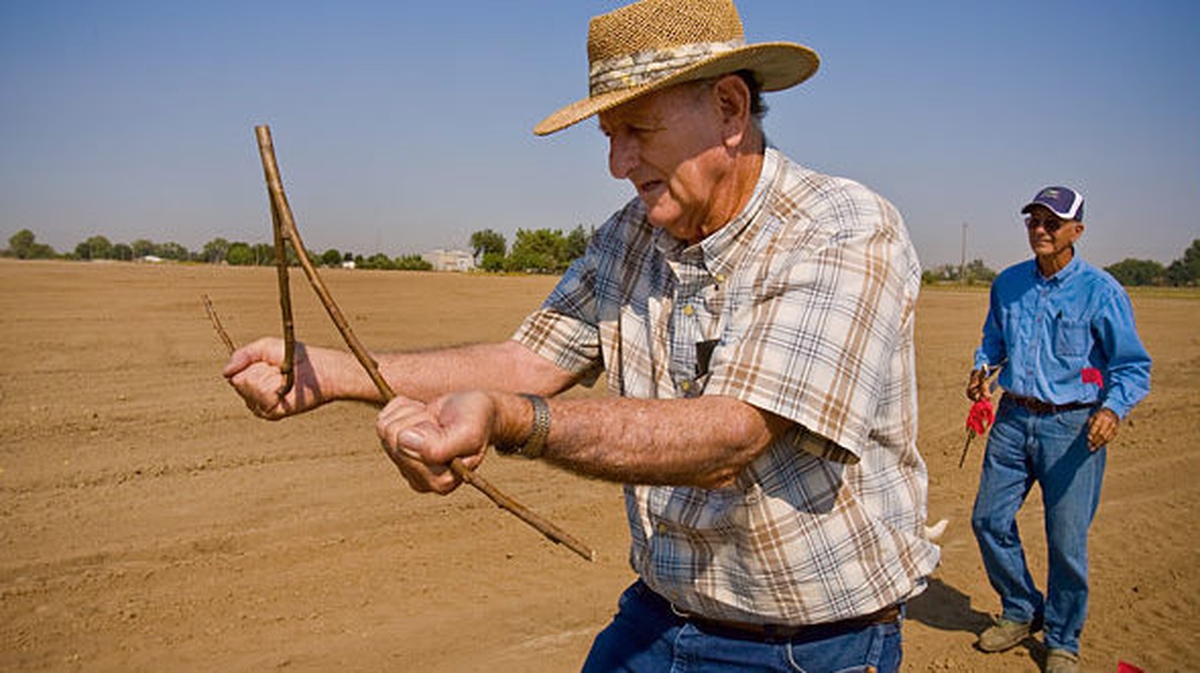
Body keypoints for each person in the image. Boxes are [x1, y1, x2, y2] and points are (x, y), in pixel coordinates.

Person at [224, 0, 939, 670]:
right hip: (660, 617)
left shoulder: (840, 229)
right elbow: (528, 359)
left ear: (729, 107)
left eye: (639, 130)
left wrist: (511, 421)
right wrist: (330, 371)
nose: (617, 163)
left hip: (804, 645)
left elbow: (732, 437)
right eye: (609, 136)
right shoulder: (628, 238)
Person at [967, 186, 1151, 673]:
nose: (1040, 230)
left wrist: (1111, 410)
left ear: (1077, 231)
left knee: (1066, 542)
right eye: (1034, 221)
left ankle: (1064, 639)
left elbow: (1131, 366)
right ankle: (1022, 609)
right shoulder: (1007, 284)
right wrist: (982, 367)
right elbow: (994, 339)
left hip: (1073, 427)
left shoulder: (1101, 291)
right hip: (1012, 419)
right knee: (987, 520)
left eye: (1052, 222)